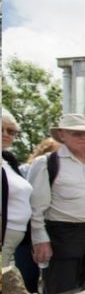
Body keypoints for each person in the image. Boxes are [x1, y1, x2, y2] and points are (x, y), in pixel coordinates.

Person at [28, 114, 85, 294]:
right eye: (76, 133)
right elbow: (36, 207)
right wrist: (40, 239)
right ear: (62, 135)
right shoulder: (47, 163)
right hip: (63, 235)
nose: (83, 137)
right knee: (61, 291)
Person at [2, 112, 33, 268]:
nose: (6, 134)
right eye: (1, 129)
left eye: (11, 131)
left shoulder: (7, 159)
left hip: (14, 239)